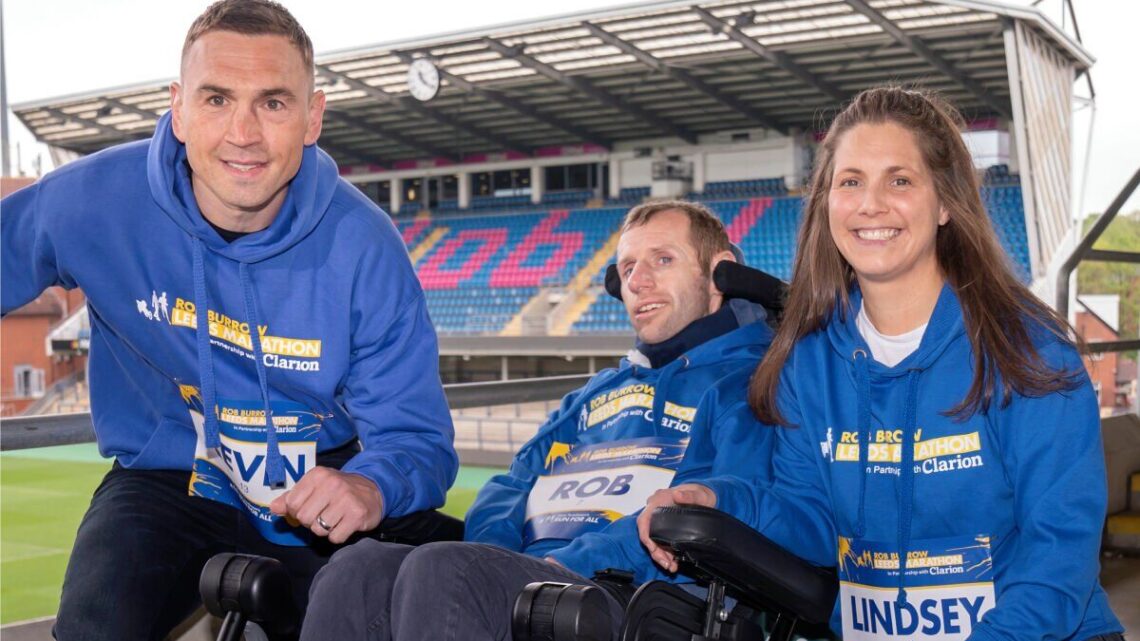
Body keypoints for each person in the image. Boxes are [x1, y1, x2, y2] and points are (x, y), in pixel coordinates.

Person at [0, 1, 459, 639]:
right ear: (178, 108)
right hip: (164, 480)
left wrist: (370, 487)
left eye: (272, 103)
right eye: (217, 99)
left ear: (312, 118)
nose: (242, 133)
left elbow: (419, 442)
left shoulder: (365, 246)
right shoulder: (92, 199)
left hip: (316, 485)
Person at [638, 87, 1124, 641]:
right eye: (850, 182)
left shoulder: (1027, 352)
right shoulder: (808, 361)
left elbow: (1058, 556)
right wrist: (718, 500)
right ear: (828, 202)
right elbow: (814, 521)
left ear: (944, 203)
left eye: (899, 180)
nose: (871, 204)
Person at [299, 200, 778, 641]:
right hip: (530, 581)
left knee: (448, 571)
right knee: (358, 567)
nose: (637, 282)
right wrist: (498, 559)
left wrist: (553, 565)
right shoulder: (594, 394)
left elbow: (708, 508)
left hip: (634, 600)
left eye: (663, 260)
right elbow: (509, 488)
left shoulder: (750, 383)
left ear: (720, 274)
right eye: (628, 267)